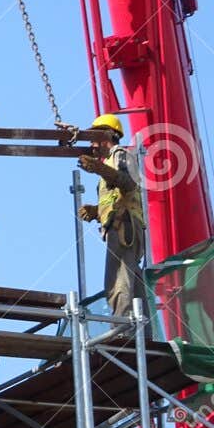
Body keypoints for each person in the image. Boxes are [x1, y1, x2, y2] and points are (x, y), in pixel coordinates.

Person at [78, 112, 148, 318]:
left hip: (124, 226)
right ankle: (141, 332)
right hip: (122, 224)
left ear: (108, 135)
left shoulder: (121, 155)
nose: (91, 143)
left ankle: (124, 330)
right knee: (134, 283)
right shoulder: (109, 162)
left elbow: (129, 183)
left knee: (117, 280)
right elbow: (115, 200)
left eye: (94, 137)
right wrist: (97, 211)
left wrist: (100, 169)